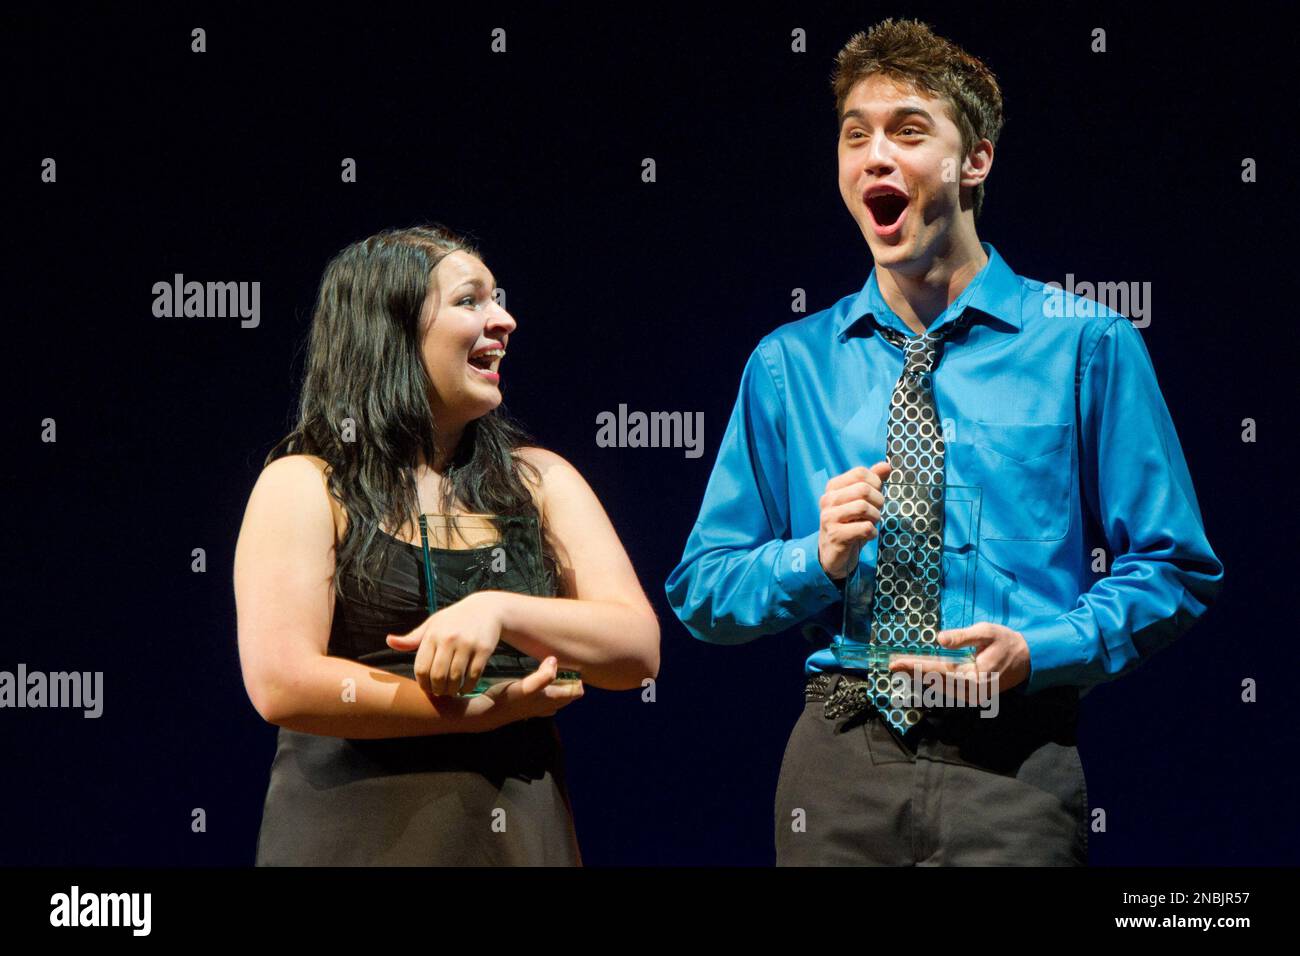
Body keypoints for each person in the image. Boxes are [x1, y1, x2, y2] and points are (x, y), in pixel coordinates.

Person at [664, 19, 1224, 865]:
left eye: (909, 130)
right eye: (857, 136)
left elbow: (1176, 566)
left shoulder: (1085, 343)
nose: (875, 156)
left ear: (976, 162)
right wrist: (815, 558)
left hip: (1013, 765)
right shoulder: (789, 365)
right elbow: (703, 588)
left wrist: (1041, 651)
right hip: (839, 764)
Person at [235, 224, 660, 865]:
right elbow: (282, 683)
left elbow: (636, 652)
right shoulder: (304, 484)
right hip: (356, 841)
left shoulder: (539, 481)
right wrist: (466, 714)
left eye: (499, 299)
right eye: (471, 301)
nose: (506, 320)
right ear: (392, 328)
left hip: (517, 837)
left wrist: (500, 609)